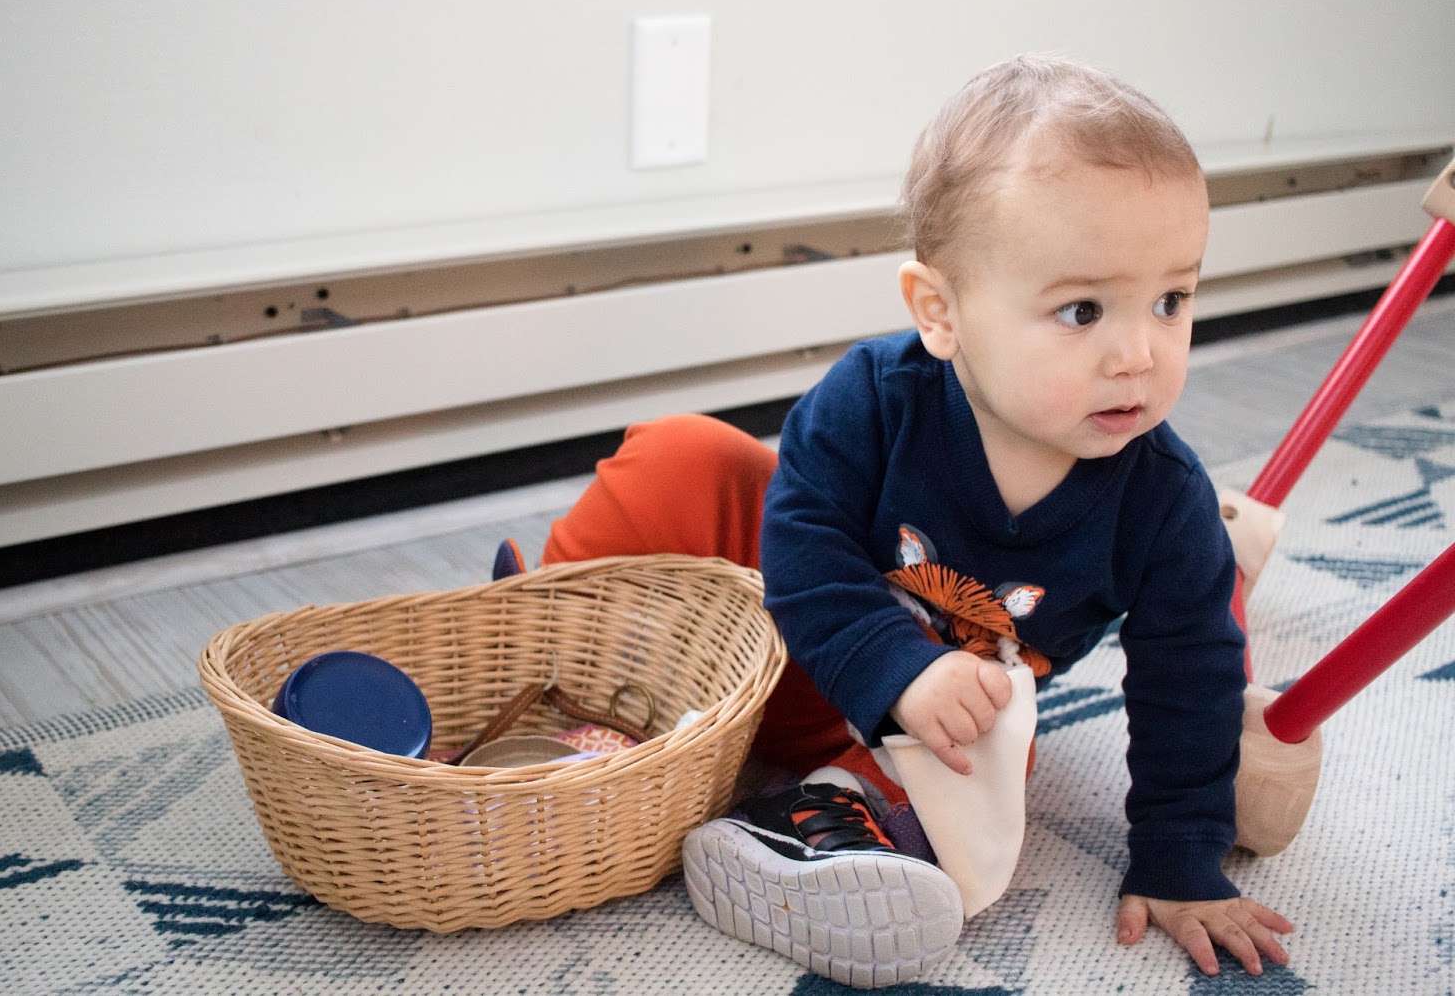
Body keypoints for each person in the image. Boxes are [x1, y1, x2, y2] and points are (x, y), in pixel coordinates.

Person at [517, 55, 1292, 989]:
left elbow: (1191, 678)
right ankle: (536, 650)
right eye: (1082, 310)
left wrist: (1181, 856)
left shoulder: (1164, 500)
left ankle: (820, 830)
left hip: (899, 726)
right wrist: (897, 663)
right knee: (684, 455)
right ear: (941, 312)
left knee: (1001, 729)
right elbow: (801, 548)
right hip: (785, 619)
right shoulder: (873, 400)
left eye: (1172, 300)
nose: (1139, 353)